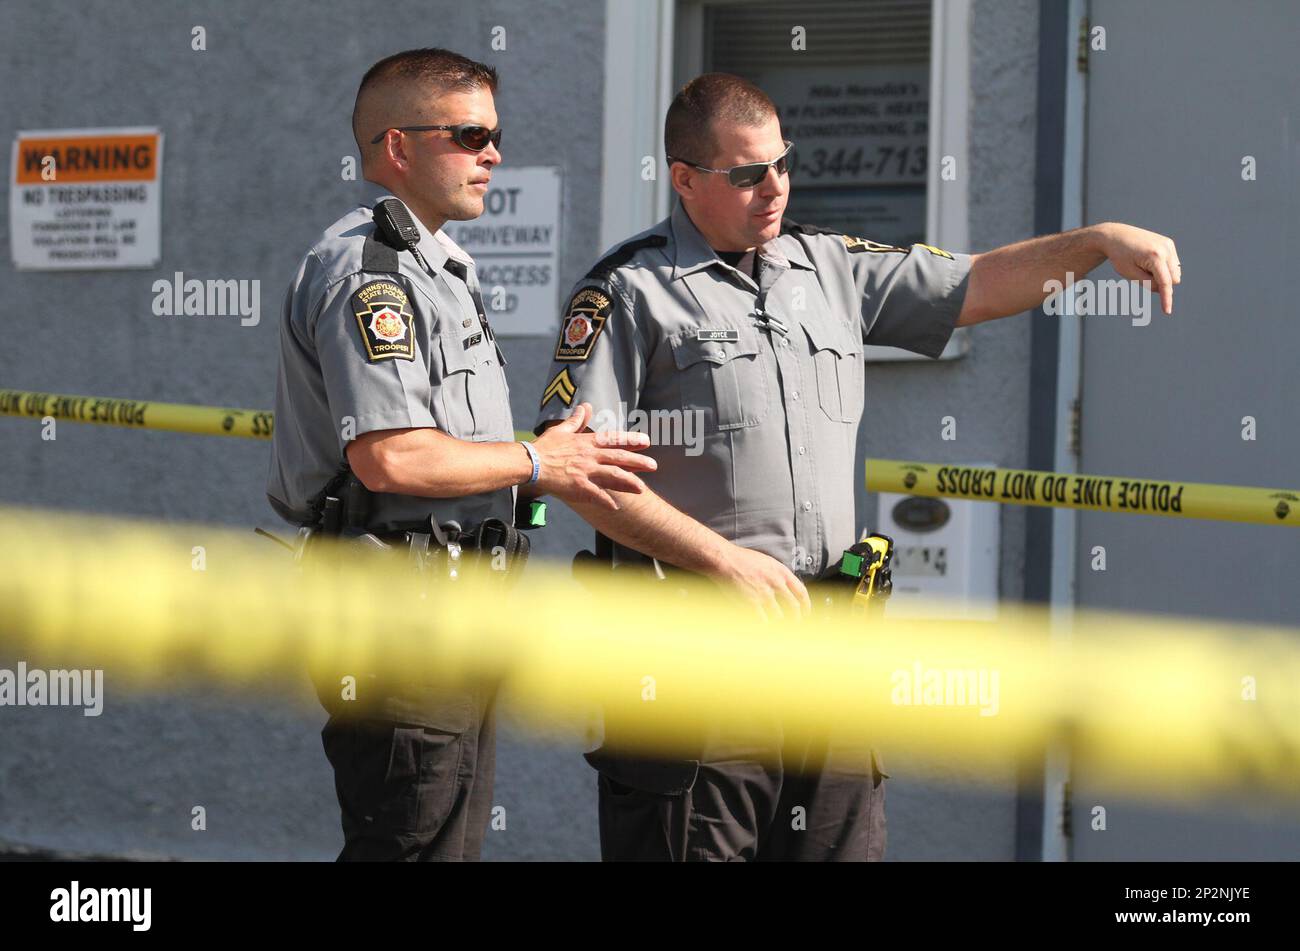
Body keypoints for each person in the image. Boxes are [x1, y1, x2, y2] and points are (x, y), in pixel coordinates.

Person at [533, 72, 1181, 862]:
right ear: (685, 179)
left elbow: (975, 283)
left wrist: (1096, 241)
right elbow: (580, 473)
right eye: (746, 174)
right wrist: (720, 558)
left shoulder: (829, 267)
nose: (773, 187)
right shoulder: (628, 291)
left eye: (782, 164)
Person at [266, 47, 656, 862]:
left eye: (495, 134)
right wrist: (540, 462)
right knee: (410, 846)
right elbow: (394, 460)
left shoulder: (437, 268)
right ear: (398, 148)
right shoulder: (372, 272)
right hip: (400, 614)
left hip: (454, 606)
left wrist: (558, 456)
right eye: (470, 134)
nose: (493, 154)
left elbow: (452, 452)